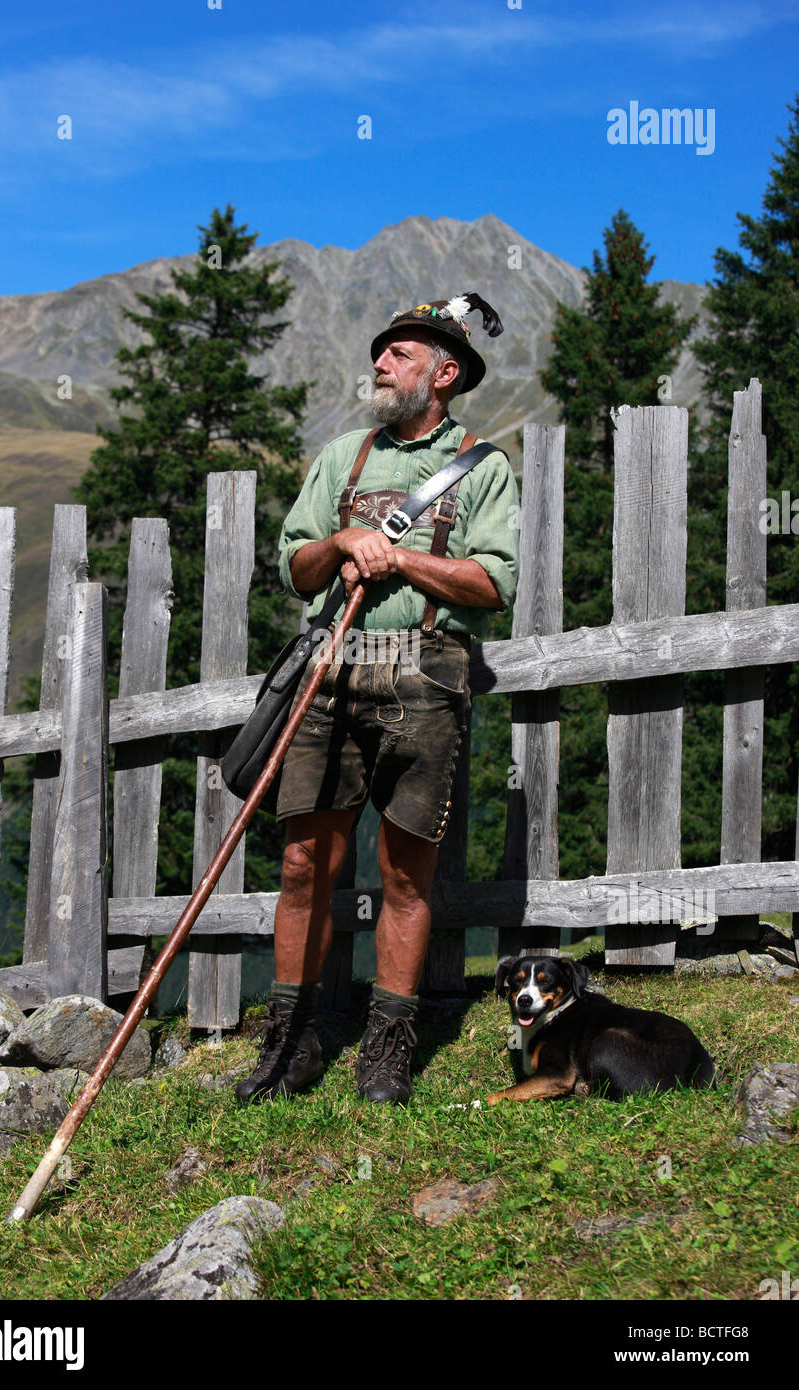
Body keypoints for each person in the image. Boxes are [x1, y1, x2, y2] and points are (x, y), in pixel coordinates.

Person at [236, 293, 520, 1106]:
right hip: (330, 667)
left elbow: (491, 582)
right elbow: (297, 566)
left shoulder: (482, 466)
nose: (381, 364)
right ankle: (290, 1043)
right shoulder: (341, 459)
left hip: (426, 673)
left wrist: (399, 562)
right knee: (303, 863)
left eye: (400, 354)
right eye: (382, 352)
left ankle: (387, 1054)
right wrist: (341, 542)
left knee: (405, 871)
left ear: (445, 372)